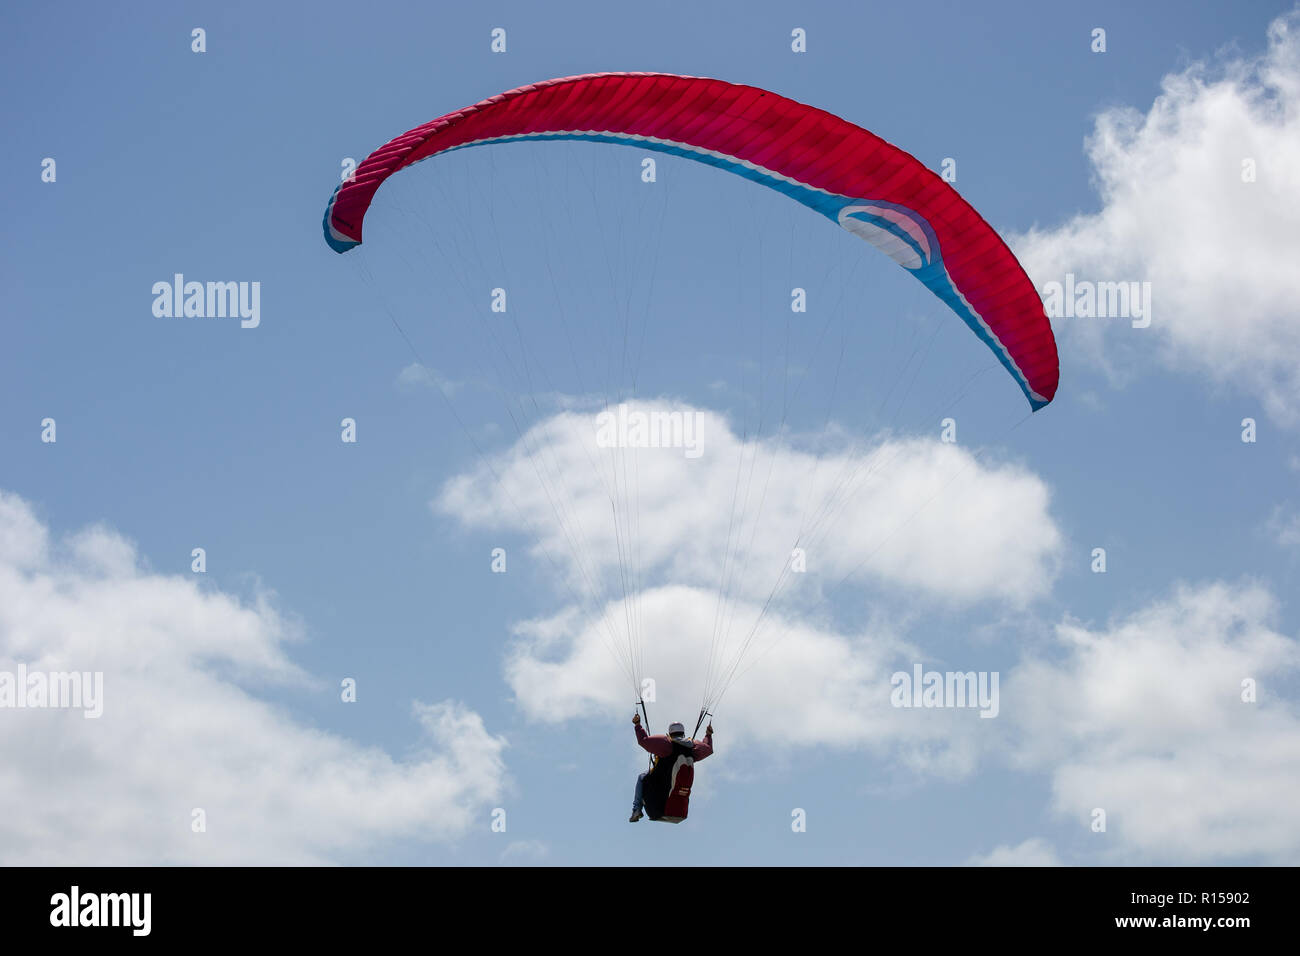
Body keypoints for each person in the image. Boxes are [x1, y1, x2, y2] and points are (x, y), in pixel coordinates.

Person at [629, 713, 713, 823]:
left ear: (670, 733)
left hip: (659, 806)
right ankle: (638, 810)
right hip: (680, 812)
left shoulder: (667, 744)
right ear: (683, 733)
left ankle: (636, 810)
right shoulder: (693, 748)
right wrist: (708, 735)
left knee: (642, 777)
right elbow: (708, 749)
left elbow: (643, 740)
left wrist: (637, 725)